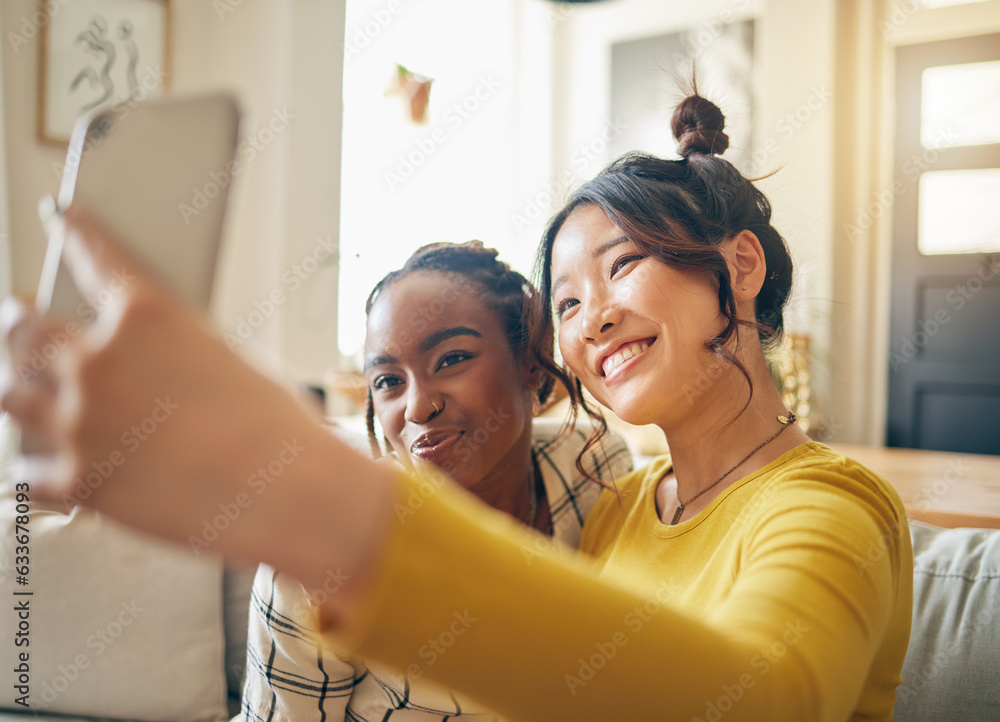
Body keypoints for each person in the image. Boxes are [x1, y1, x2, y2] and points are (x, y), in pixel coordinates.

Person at [2, 91, 912, 721]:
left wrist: (316, 505)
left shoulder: (828, 507)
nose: (591, 314)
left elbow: (763, 705)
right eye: (564, 301)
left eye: (623, 263)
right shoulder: (626, 503)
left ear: (739, 268)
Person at [239, 241, 631, 720]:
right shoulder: (318, 559)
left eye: (451, 359)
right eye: (387, 381)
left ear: (531, 359)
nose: (418, 407)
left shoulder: (593, 464)